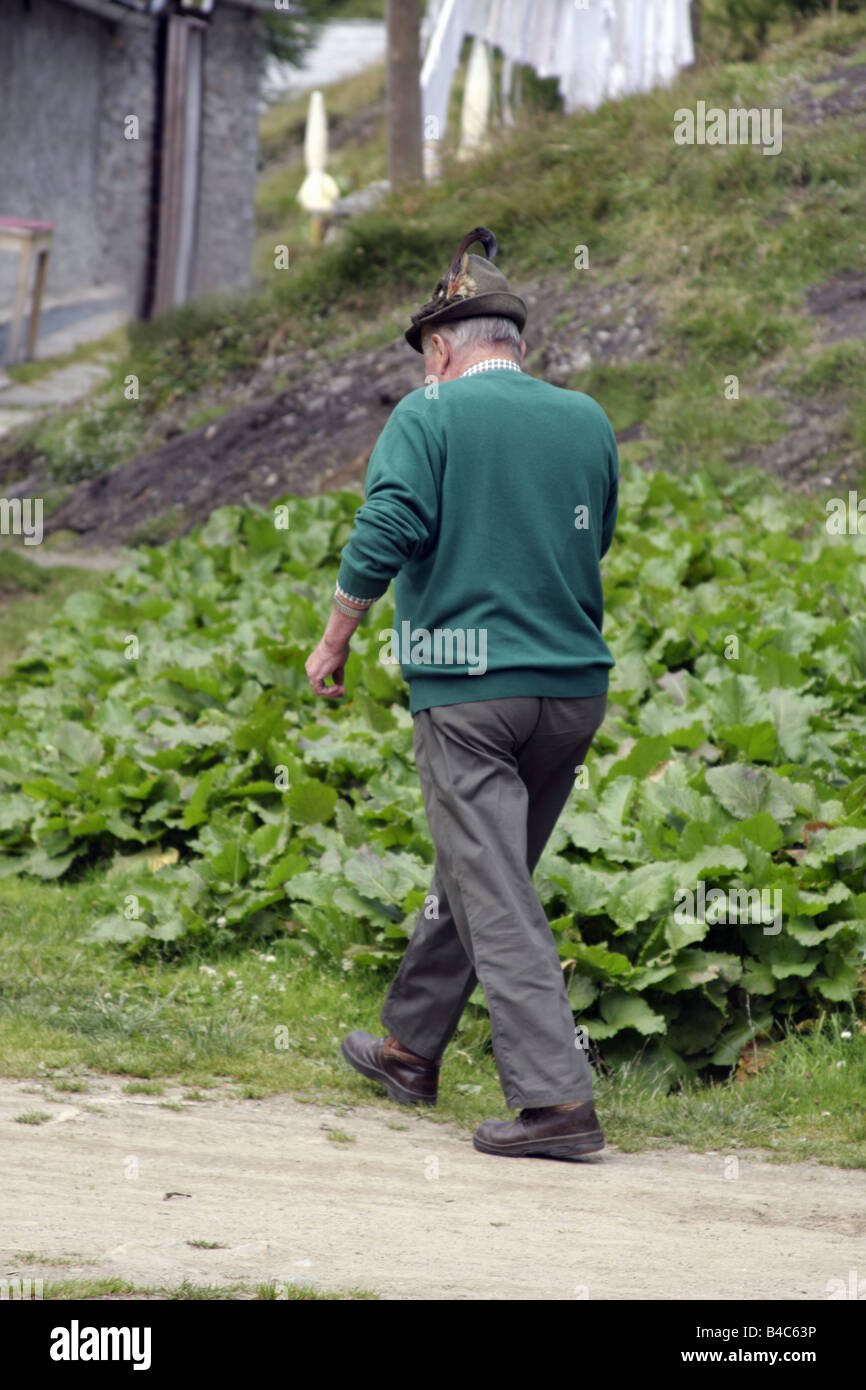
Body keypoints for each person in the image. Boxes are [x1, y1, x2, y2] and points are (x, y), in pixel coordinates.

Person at [305, 227, 618, 1159]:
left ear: (441, 350)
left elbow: (388, 524)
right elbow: (588, 540)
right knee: (478, 869)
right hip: (570, 692)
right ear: (514, 342)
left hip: (468, 691)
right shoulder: (588, 419)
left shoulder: (428, 414)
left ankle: (557, 1103)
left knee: (495, 886)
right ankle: (409, 1049)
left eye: (424, 359)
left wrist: (335, 637)